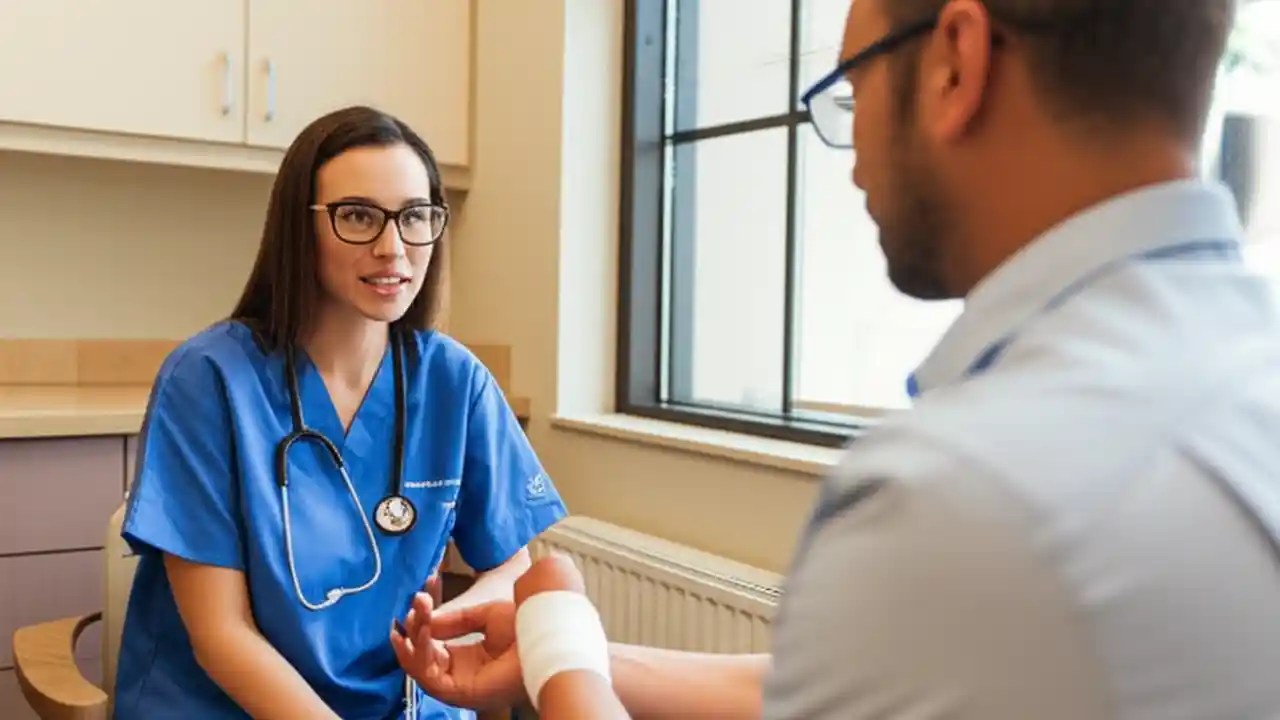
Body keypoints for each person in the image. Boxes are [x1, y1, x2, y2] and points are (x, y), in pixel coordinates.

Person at [393, 0, 1280, 717]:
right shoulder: (1239, 373)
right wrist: (587, 649)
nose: (850, 153)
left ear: (956, 63)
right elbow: (881, 683)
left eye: (851, 88)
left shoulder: (965, 491)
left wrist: (556, 646)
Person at [114, 105, 568, 719]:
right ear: (300, 229)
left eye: (415, 217)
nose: (393, 248)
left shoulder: (455, 383)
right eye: (357, 216)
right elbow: (222, 634)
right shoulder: (210, 381)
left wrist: (451, 622)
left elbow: (513, 565)